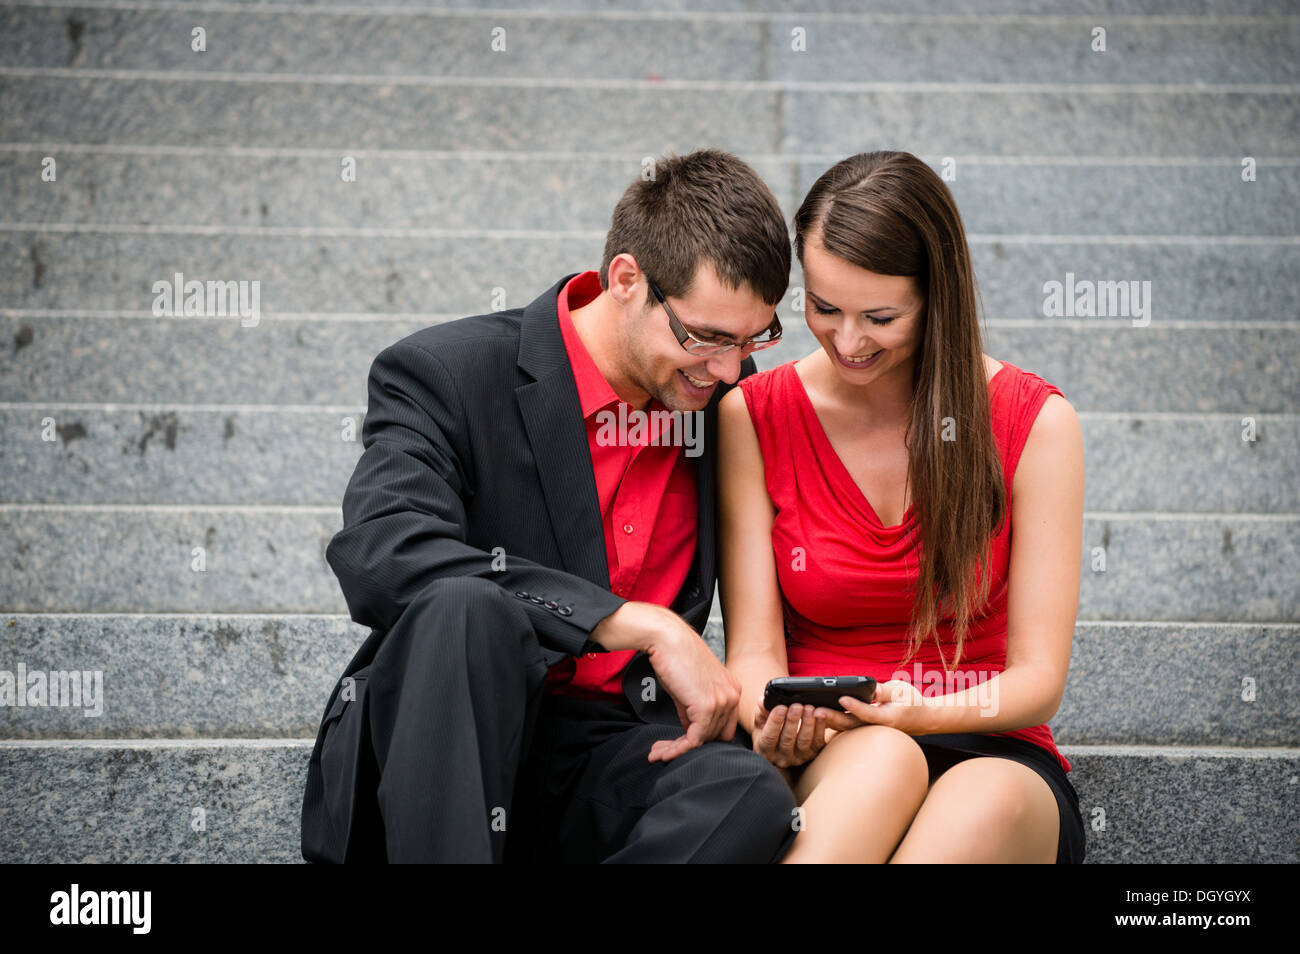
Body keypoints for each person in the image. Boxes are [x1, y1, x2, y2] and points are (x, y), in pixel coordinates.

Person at [301, 148, 801, 863]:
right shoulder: (447, 373)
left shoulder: (721, 399)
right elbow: (382, 552)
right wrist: (631, 623)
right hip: (447, 741)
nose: (729, 369)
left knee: (747, 793)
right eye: (705, 337)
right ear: (626, 279)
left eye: (753, 339)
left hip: (606, 752)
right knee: (465, 609)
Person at [718, 150, 1088, 863]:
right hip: (837, 745)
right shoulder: (753, 416)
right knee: (885, 762)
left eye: (880, 317)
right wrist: (765, 715)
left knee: (985, 803)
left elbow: (1039, 681)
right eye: (823, 308)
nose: (847, 342)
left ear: (935, 298)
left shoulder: (1034, 422)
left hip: (994, 742)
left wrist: (926, 711)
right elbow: (754, 653)